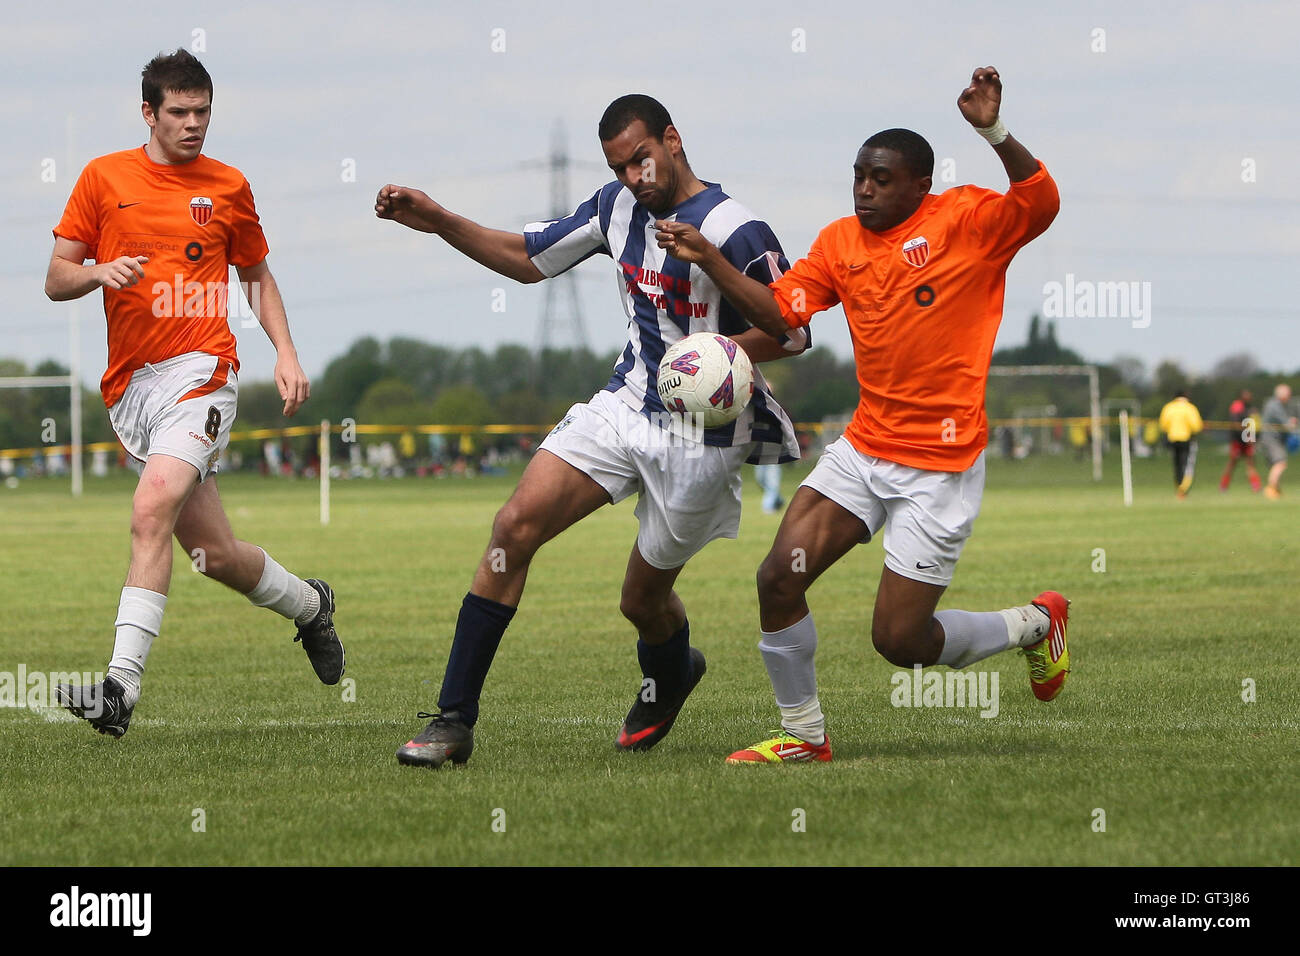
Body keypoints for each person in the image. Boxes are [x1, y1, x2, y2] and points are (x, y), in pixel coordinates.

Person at [377, 94, 806, 768]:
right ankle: (451, 722)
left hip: (701, 439)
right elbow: (527, 258)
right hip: (625, 404)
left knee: (642, 601)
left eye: (642, 158)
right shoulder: (616, 207)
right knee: (513, 526)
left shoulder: (737, 228)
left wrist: (720, 351)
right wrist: (436, 220)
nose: (636, 176)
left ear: (672, 139)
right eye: (621, 165)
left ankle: (671, 672)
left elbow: (795, 329)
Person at [657, 66, 1068, 764]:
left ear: (919, 185)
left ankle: (1033, 624)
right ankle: (803, 737)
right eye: (857, 177)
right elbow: (780, 315)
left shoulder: (967, 222)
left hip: (940, 466)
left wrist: (993, 132)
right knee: (778, 578)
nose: (865, 190)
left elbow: (1041, 200)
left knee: (901, 643)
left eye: (880, 179)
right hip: (864, 449)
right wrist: (711, 260)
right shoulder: (839, 244)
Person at [44, 50, 344, 738]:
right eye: (178, 112)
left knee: (150, 510)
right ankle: (310, 606)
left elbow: (258, 274)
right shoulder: (102, 178)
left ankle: (118, 691)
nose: (193, 124)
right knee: (216, 556)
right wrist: (97, 271)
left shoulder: (228, 186)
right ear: (147, 112)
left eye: (202, 111)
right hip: (134, 390)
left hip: (204, 372)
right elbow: (56, 278)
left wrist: (287, 352)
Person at [1158, 390, 1203, 498]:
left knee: (1177, 465)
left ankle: (1179, 487)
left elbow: (1163, 425)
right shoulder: (1190, 408)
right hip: (1186, 439)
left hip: (1172, 439)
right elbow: (1196, 426)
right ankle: (1182, 489)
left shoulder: (1168, 407)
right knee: (1186, 465)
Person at [1219, 389, 1261, 493]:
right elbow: (1236, 424)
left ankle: (1256, 486)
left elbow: (1253, 424)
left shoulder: (1250, 408)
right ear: (1241, 396)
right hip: (1237, 440)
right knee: (1232, 463)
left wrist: (1252, 437)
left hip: (1247, 440)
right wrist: (1246, 437)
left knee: (1250, 463)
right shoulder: (1237, 406)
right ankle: (1223, 486)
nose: (1249, 397)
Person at [1261, 383, 1298, 499]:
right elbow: (1287, 424)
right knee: (1280, 463)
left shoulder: (1278, 405)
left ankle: (1276, 489)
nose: (1290, 396)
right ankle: (1270, 489)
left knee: (1276, 464)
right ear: (1282, 395)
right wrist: (1292, 423)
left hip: (1274, 439)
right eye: (1288, 394)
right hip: (1271, 439)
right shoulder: (1274, 406)